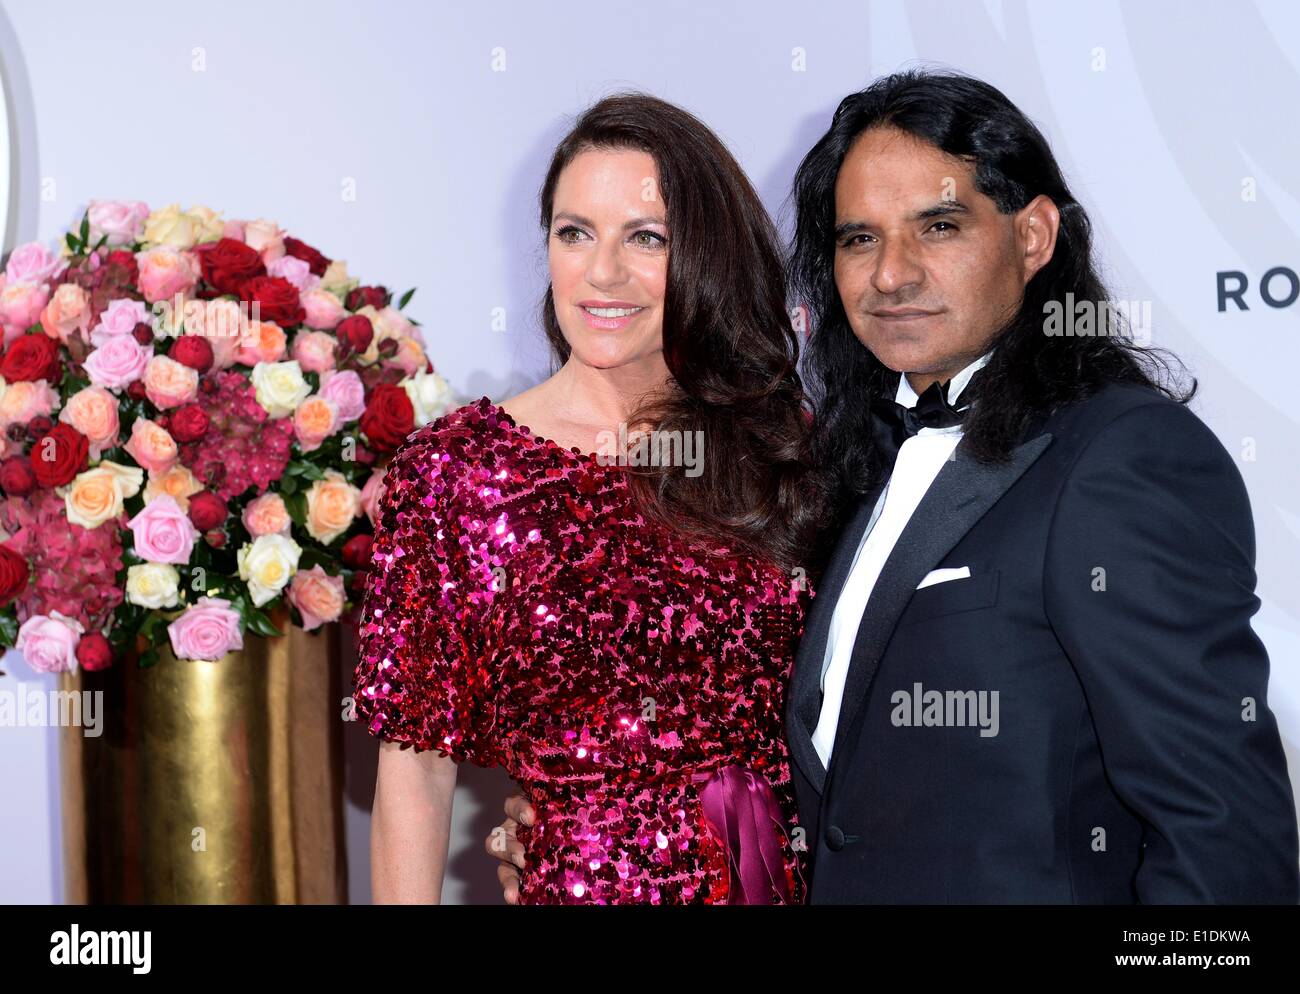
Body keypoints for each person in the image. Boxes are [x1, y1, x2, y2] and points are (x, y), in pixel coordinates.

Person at [491, 70, 1300, 903]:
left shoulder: (1121, 457)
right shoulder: (849, 467)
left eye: (939, 226)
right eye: (859, 239)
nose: (891, 275)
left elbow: (1226, 841)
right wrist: (588, 818)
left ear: (1033, 236)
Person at [352, 92, 824, 904]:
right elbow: (415, 774)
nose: (602, 273)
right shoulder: (457, 474)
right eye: (575, 233)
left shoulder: (783, 451)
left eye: (646, 238)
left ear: (705, 256)